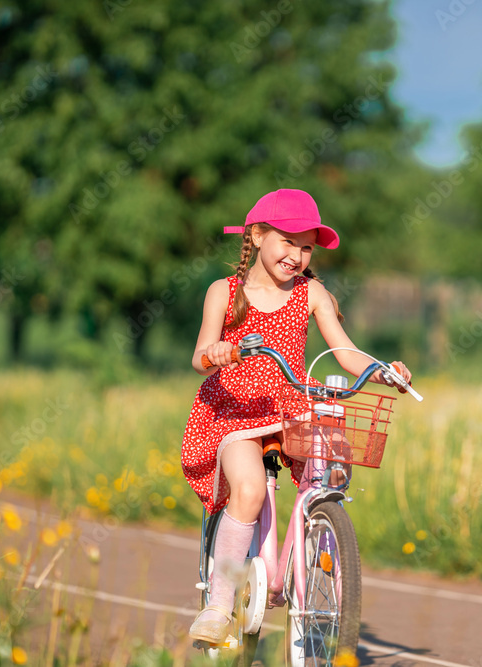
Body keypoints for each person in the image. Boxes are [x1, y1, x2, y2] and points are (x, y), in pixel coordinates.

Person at [183, 188, 411, 645]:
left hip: (291, 407)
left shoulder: (312, 294)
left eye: (306, 247)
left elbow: (343, 350)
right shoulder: (225, 292)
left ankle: (316, 545)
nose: (297, 255)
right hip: (236, 411)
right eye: (287, 241)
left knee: (329, 469)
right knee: (247, 490)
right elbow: (198, 356)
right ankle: (219, 603)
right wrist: (219, 353)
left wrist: (381, 370)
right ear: (258, 235)